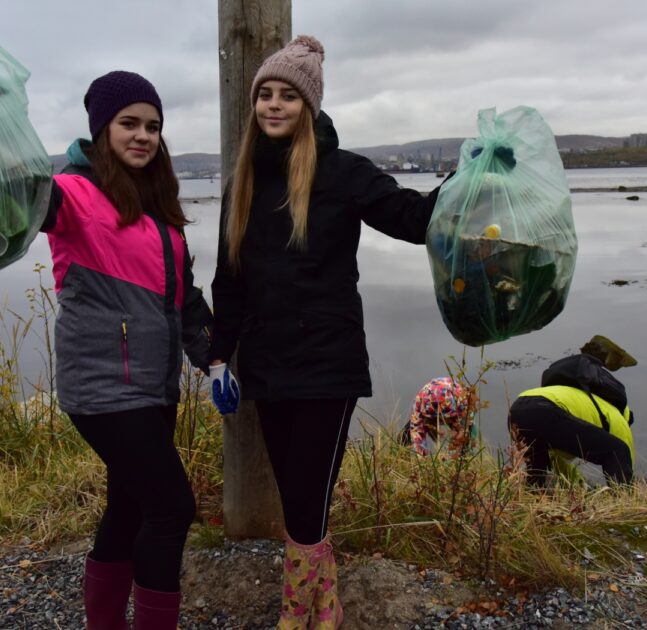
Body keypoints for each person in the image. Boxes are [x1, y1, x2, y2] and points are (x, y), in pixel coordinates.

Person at [207, 35, 447, 629]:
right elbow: (229, 281)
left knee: (308, 503)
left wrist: (466, 182)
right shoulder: (242, 184)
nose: (273, 104)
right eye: (264, 93)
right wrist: (218, 360)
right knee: (297, 499)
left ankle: (298, 615)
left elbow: (415, 221)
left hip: (327, 365)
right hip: (266, 364)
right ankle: (326, 603)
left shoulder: (342, 173)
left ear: (308, 106)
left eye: (287, 95)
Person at [44, 71, 211, 630]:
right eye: (129, 124)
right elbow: (12, 202)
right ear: (101, 129)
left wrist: (210, 355)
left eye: (153, 127)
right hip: (103, 388)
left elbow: (183, 296)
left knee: (130, 506)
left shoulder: (160, 208)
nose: (143, 136)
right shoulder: (70, 193)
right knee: (171, 509)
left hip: (153, 386)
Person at [507, 336, 637, 486]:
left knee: (538, 470)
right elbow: (623, 460)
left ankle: (533, 499)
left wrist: (581, 485)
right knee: (617, 449)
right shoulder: (620, 422)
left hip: (518, 407)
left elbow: (557, 460)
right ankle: (620, 507)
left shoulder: (586, 401)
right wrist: (627, 490)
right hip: (547, 410)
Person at [400, 376, 477, 457]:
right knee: (406, 435)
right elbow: (416, 430)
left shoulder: (463, 400)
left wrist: (452, 457)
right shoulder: (419, 403)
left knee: (467, 439)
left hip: (456, 405)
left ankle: (466, 459)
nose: (439, 421)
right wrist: (423, 459)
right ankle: (401, 452)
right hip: (428, 406)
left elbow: (463, 430)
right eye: (435, 419)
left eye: (442, 418)